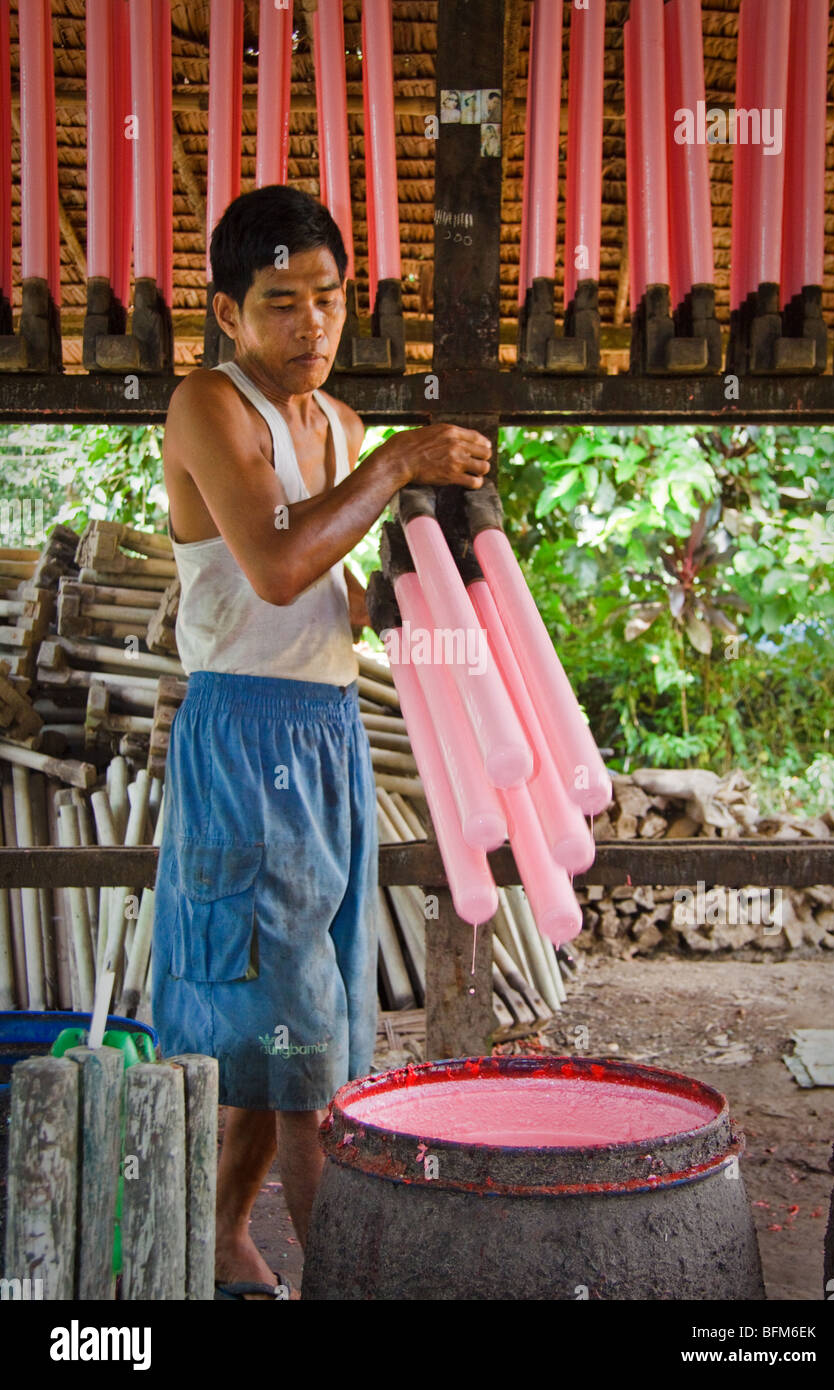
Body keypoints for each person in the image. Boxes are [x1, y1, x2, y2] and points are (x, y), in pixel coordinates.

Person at [150, 184, 492, 1299]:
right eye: (281, 303)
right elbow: (278, 564)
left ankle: (259, 1247)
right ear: (228, 313)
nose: (310, 328)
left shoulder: (336, 425)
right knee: (276, 1010)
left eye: (329, 301)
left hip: (326, 729)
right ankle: (300, 1258)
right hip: (245, 736)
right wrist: (396, 467)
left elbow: (328, 598)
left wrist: (427, 595)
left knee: (314, 1017)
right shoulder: (211, 406)